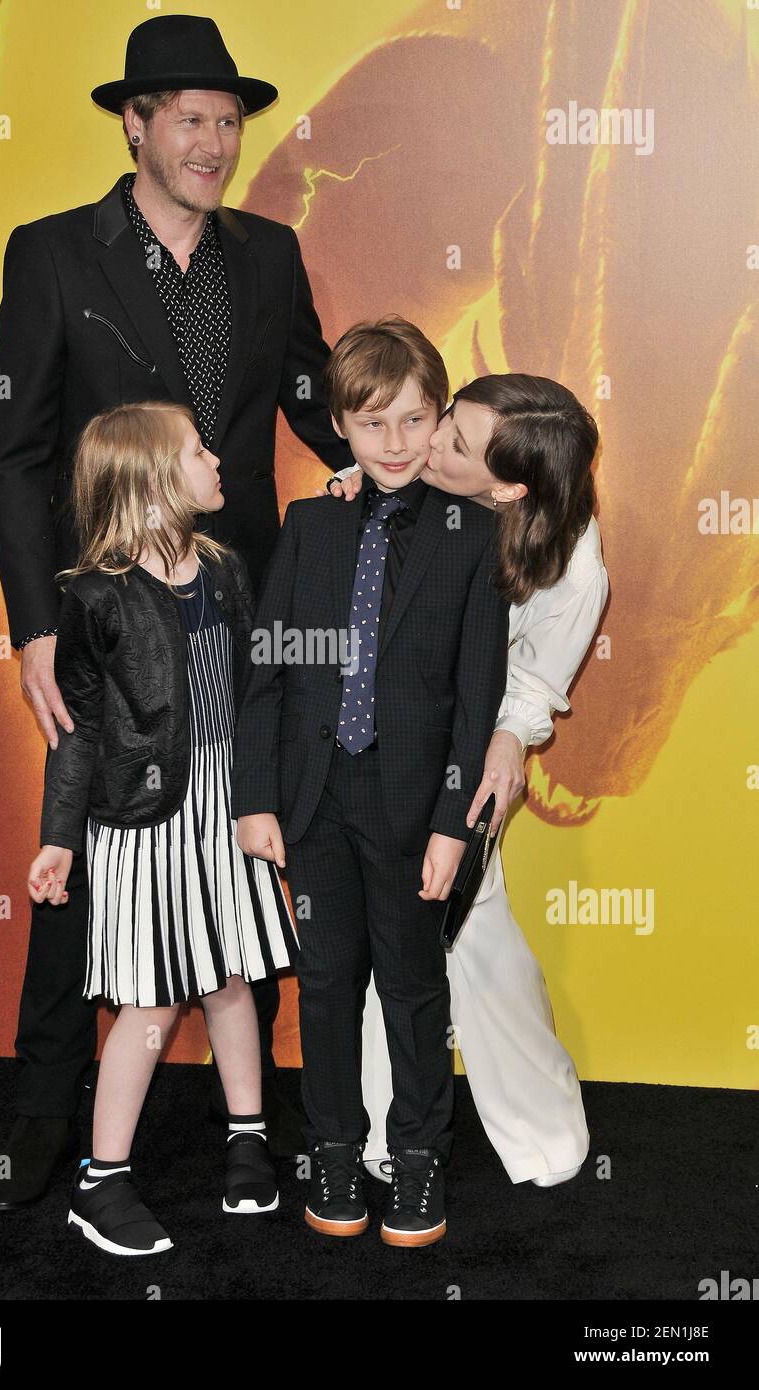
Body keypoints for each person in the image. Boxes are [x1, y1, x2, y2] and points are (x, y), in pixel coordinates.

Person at [0, 14, 359, 1209]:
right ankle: (51, 1113)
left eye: (228, 121)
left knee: (247, 837)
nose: (213, 142)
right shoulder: (49, 254)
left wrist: (376, 451)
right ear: (134, 124)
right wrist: (36, 625)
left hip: (237, 608)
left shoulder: (270, 251)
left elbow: (308, 389)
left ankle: (258, 1117)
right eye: (188, 119)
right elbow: (18, 454)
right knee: (92, 845)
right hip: (102, 618)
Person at [232, 317, 510, 1247]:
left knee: (412, 988)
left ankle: (419, 1160)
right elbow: (266, 670)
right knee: (324, 986)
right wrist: (254, 796)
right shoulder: (310, 524)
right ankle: (334, 1154)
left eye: (413, 421)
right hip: (313, 803)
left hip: (410, 811)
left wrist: (452, 824)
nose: (394, 444)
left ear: (438, 422)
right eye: (372, 424)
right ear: (341, 427)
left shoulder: (475, 535)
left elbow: (477, 700)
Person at [27, 399, 298, 1255]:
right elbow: (78, 730)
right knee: (149, 1000)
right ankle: (100, 1181)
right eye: (195, 451)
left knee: (228, 979)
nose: (217, 460)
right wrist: (59, 838)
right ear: (150, 484)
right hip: (145, 819)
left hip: (227, 804)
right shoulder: (94, 598)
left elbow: (257, 689)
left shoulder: (222, 568)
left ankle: (248, 1137)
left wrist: (269, 792)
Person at [337, 374, 608, 1187]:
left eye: (452, 443)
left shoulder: (573, 565)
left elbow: (530, 688)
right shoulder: (408, 487)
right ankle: (396, 1134)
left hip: (465, 762)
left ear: (509, 487)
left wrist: (503, 747)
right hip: (388, 748)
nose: (426, 441)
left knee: (457, 932)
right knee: (423, 934)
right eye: (446, 420)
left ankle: (503, 1132)